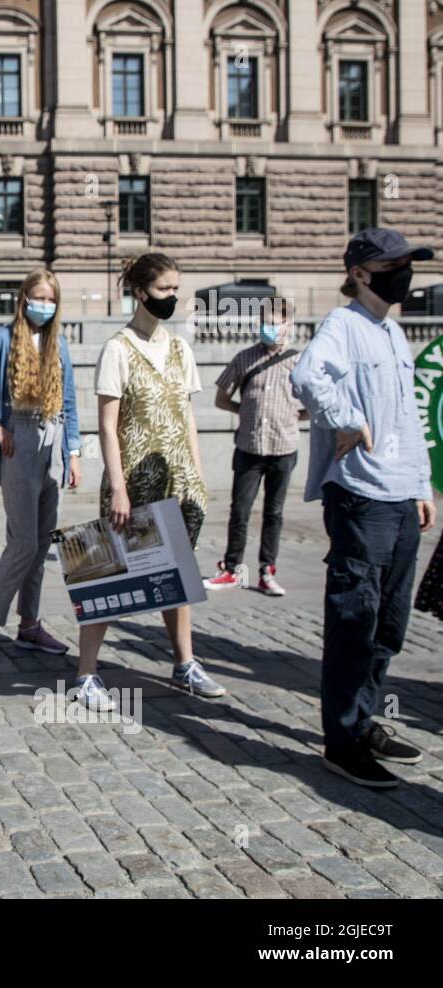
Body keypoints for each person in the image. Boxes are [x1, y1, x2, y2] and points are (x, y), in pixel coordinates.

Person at [290, 227, 437, 789]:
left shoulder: (394, 333)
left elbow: (410, 416)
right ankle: (343, 741)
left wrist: (421, 484)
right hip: (361, 497)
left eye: (409, 262)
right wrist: (346, 421)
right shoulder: (344, 326)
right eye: (395, 264)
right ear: (359, 273)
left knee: (389, 626)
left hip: (401, 497)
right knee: (355, 620)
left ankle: (364, 717)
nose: (405, 272)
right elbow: (306, 376)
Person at [76, 253, 224, 711]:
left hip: (177, 480)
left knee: (179, 574)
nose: (173, 297)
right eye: (164, 290)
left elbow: (188, 419)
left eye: (176, 289)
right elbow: (106, 424)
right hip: (132, 482)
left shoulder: (181, 349)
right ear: (140, 292)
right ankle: (86, 673)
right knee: (108, 575)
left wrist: (198, 476)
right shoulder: (117, 349)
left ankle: (185, 662)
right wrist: (117, 485)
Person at [0, 267, 81, 662]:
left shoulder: (58, 346)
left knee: (42, 543)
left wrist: (74, 452)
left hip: (54, 442)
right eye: (37, 297)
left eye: (50, 299)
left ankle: (29, 624)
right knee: (23, 543)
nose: (43, 305)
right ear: (23, 298)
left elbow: (70, 404)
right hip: (18, 443)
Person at [205, 296, 306, 595]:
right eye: (264, 323)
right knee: (240, 511)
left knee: (274, 513)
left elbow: (317, 402)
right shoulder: (244, 358)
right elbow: (221, 398)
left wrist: (293, 417)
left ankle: (267, 571)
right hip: (249, 446)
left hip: (283, 447)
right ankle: (232, 568)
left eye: (274, 323)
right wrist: (245, 412)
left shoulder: (299, 361)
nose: (269, 329)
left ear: (288, 325)